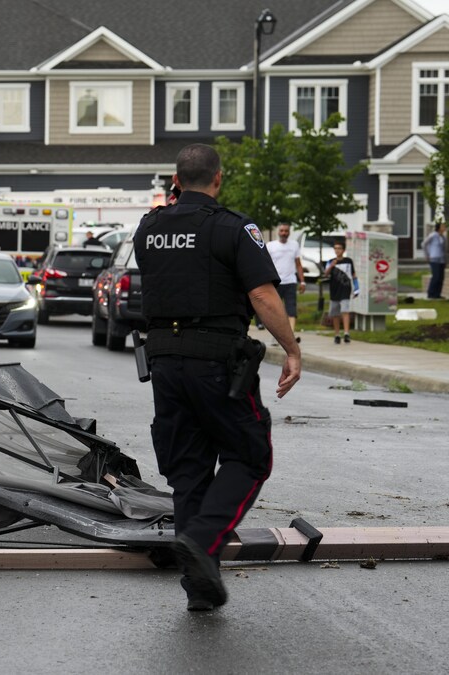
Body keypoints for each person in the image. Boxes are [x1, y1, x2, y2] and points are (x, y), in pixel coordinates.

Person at [133, 143, 301, 612]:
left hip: (163, 362)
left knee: (189, 469)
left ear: (176, 180)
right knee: (250, 454)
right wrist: (291, 349)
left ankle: (200, 587)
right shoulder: (233, 227)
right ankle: (204, 540)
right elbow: (263, 296)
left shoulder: (149, 228)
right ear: (219, 178)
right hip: (216, 362)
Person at [265, 223, 306, 341]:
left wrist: (302, 282)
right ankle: (276, 336)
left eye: (286, 231)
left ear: (289, 232)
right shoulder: (271, 246)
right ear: (278, 232)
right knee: (276, 311)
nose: (284, 233)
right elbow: (266, 264)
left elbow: (298, 264)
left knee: (291, 309)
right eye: (282, 230)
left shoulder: (294, 245)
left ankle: (291, 336)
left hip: (290, 282)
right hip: (276, 283)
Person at [322, 241, 358, 344]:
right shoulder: (330, 261)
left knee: (345, 310)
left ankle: (346, 333)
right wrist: (331, 266)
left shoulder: (348, 261)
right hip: (334, 289)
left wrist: (357, 288)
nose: (337, 250)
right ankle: (337, 334)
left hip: (345, 288)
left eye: (339, 248)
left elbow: (353, 275)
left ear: (343, 250)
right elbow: (325, 274)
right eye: (335, 248)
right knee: (335, 313)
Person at [423, 222, 445, 299]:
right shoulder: (433, 235)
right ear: (438, 227)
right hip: (434, 259)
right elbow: (424, 244)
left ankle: (437, 294)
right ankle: (431, 293)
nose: (444, 228)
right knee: (436, 276)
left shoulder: (443, 236)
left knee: (441, 277)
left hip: (442, 259)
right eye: (442, 226)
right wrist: (427, 255)